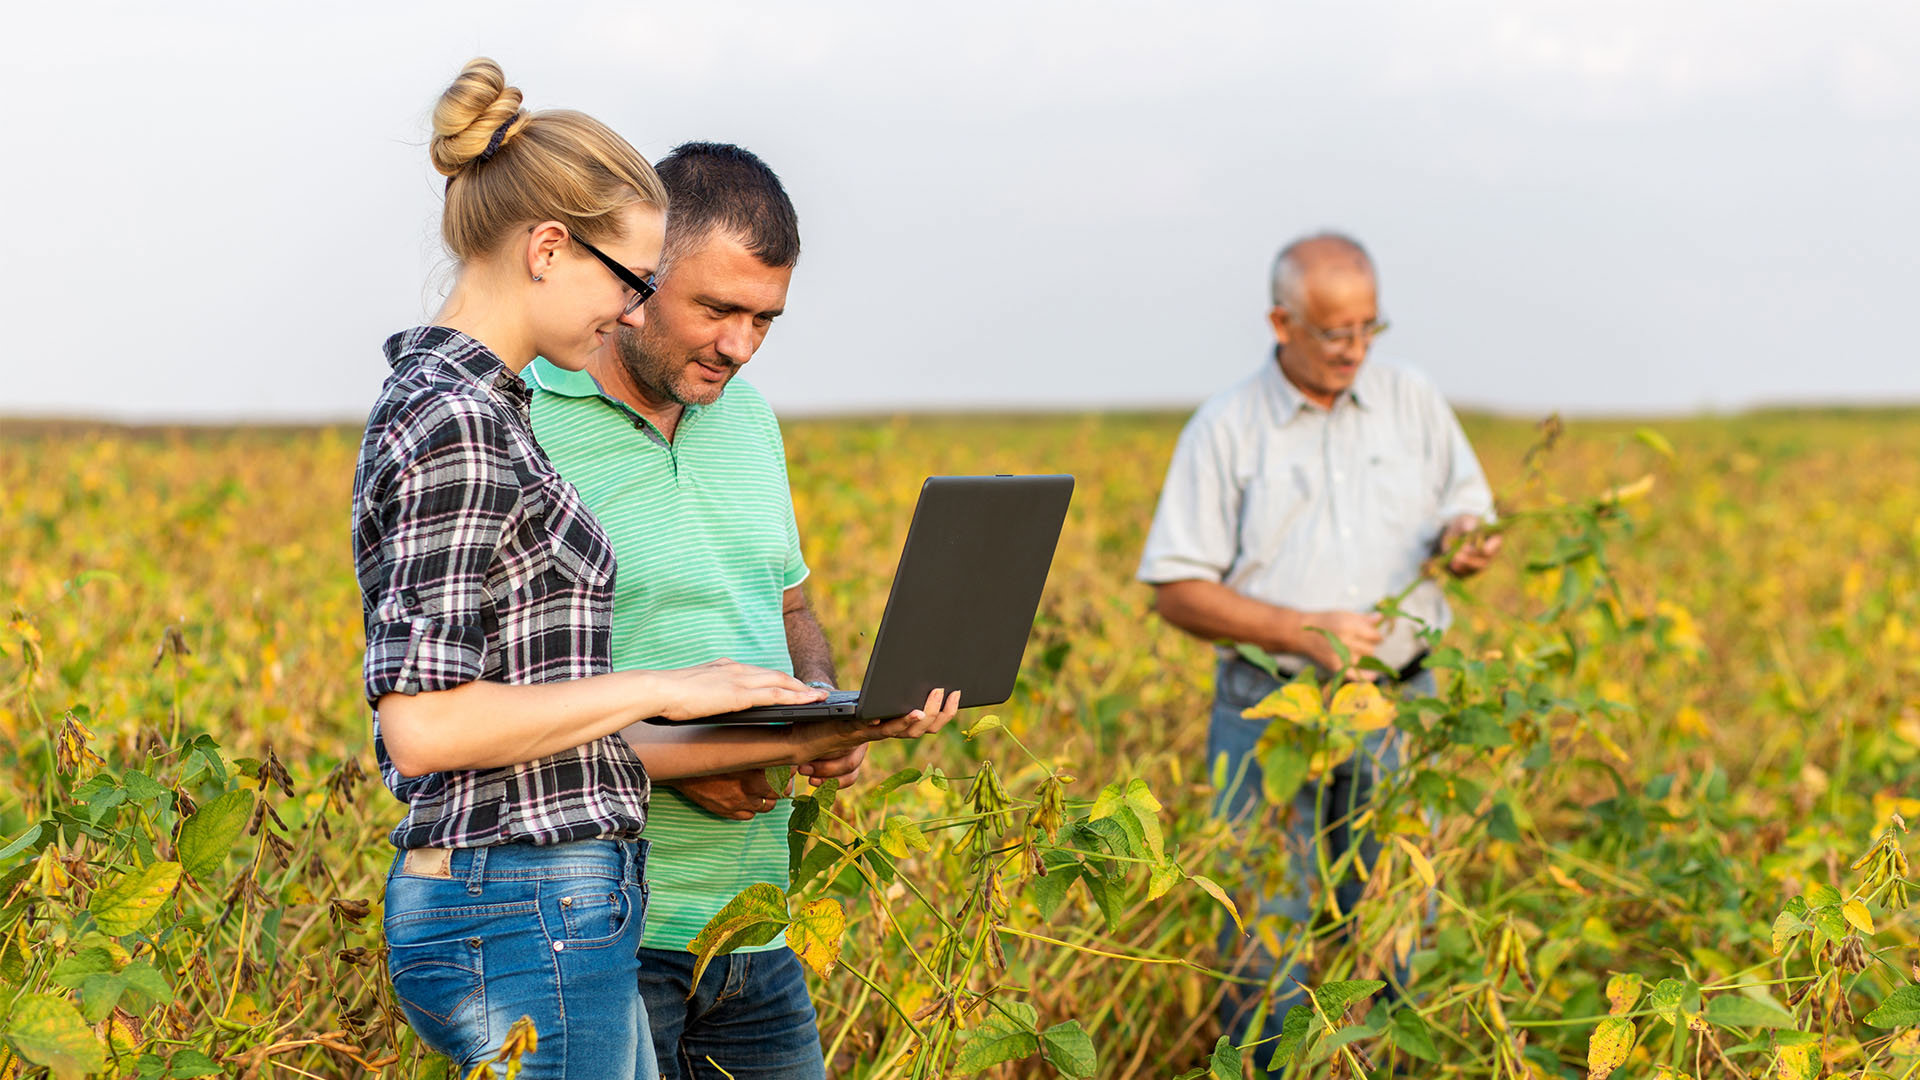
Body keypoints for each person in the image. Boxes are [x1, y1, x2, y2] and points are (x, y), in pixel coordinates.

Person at [355, 64, 953, 1078]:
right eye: (631, 282)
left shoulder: (481, 407)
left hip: (587, 888)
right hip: (528, 897)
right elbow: (420, 724)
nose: (629, 312)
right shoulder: (467, 414)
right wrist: (681, 700)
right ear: (550, 248)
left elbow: (762, 606)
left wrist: (816, 720)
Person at [527, 142, 908, 1080]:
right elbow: (487, 702)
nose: (739, 345)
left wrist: (822, 710)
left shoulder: (750, 420)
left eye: (765, 320)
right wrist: (685, 762)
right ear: (640, 273)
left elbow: (789, 604)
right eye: (717, 310)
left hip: (752, 927)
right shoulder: (523, 420)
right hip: (594, 927)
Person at [1135, 233, 1502, 1045]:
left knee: (1395, 924)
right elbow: (1176, 589)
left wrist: (1468, 542)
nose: (1354, 349)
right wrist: (1301, 629)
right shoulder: (1226, 427)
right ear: (1280, 320)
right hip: (1271, 711)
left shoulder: (1412, 401)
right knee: (1267, 931)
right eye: (1335, 332)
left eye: (1369, 328)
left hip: (1401, 706)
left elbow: (1469, 512)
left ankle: (1376, 1065)